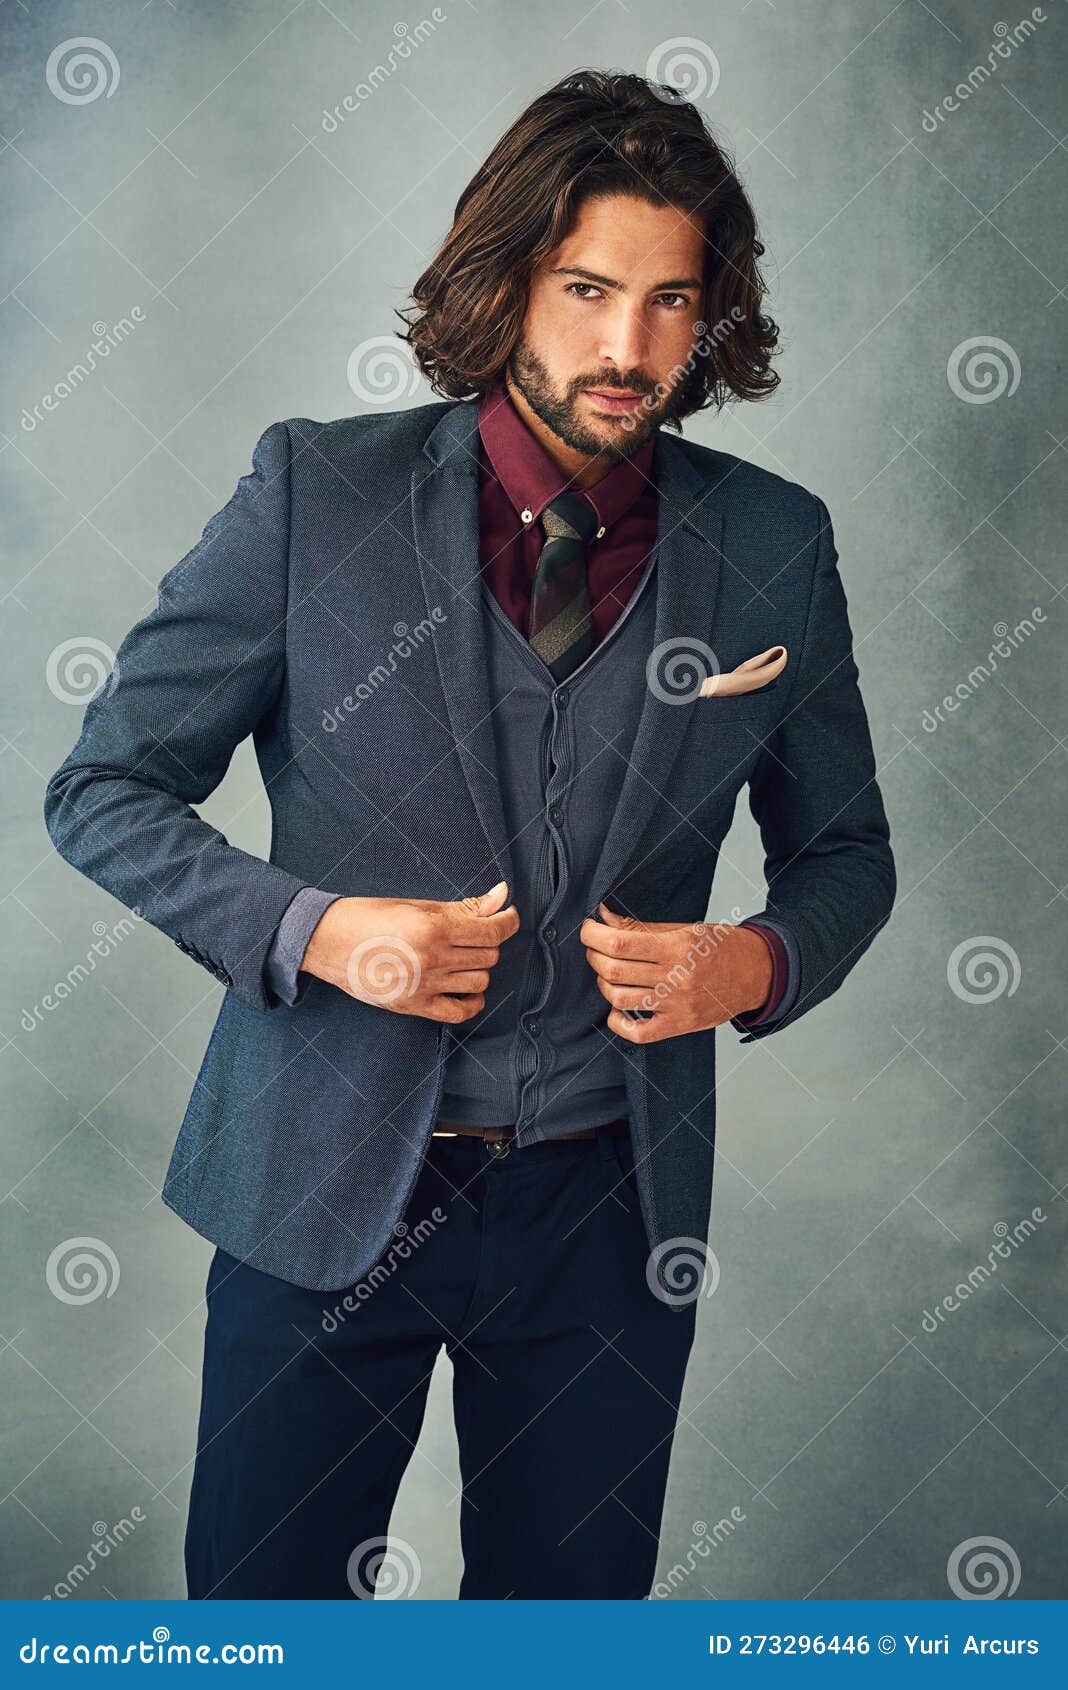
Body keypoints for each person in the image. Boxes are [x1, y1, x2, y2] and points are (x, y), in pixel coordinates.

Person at [43, 69, 895, 1600]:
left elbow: (850, 857)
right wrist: (312, 929)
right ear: (507, 280)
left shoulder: (774, 542)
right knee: (268, 1632)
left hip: (607, 1216)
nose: (629, 346)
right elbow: (103, 787)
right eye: (586, 289)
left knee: (562, 1644)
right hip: (322, 1193)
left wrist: (752, 964)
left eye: (670, 301)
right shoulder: (318, 491)